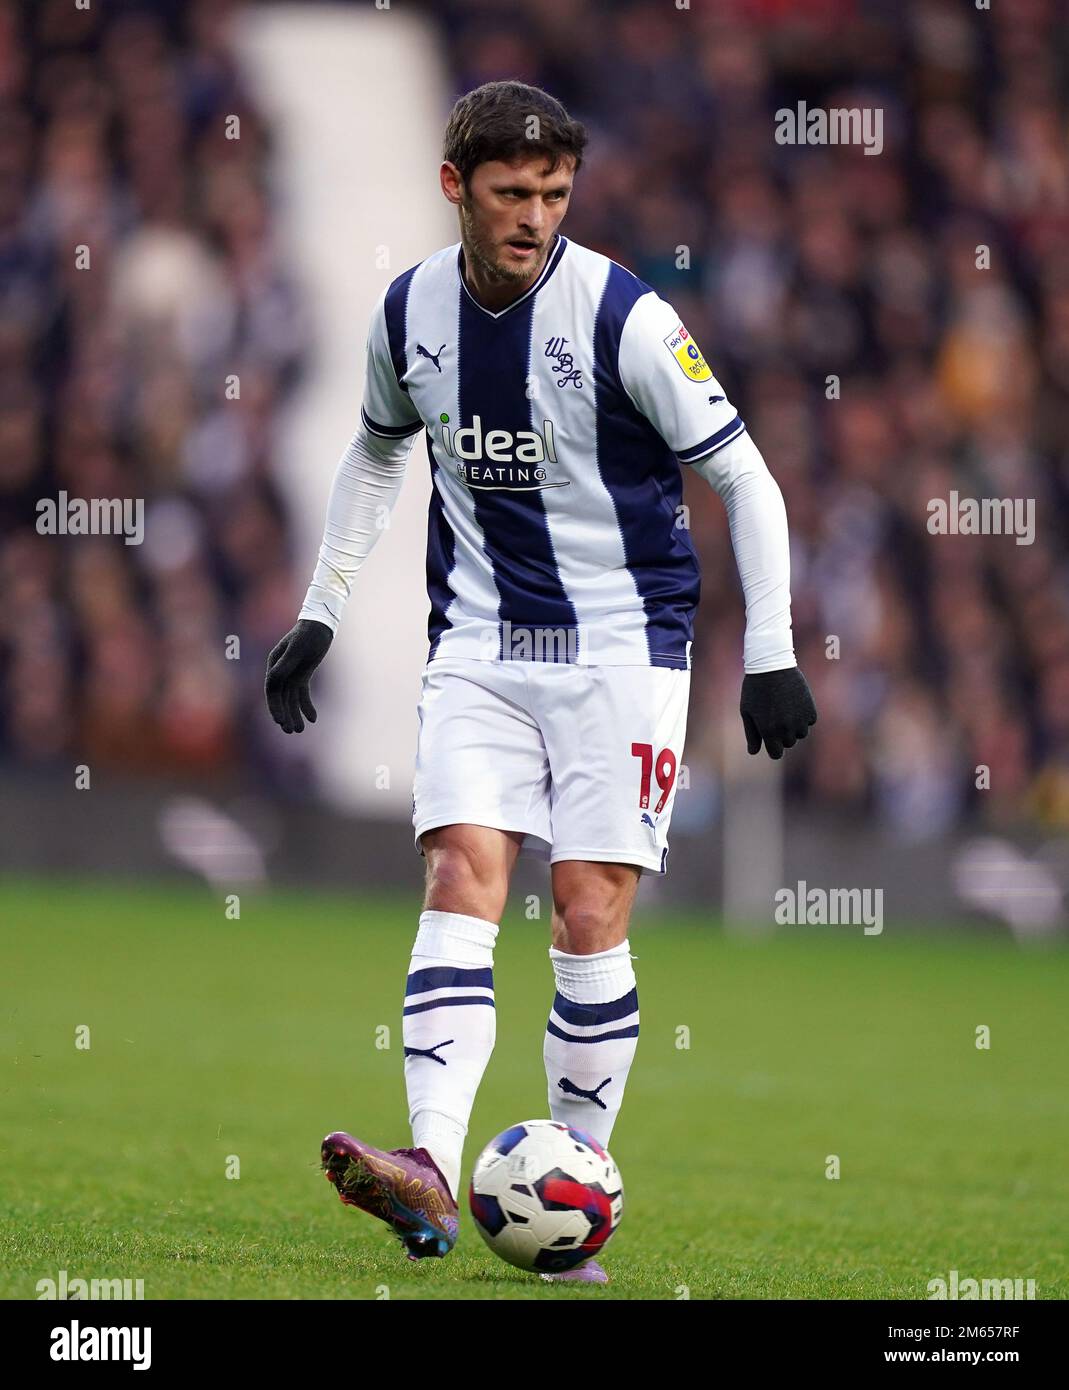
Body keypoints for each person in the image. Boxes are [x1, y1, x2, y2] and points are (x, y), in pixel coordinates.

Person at [265, 80, 816, 1284]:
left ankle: (574, 1193)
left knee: (585, 911)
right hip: (477, 642)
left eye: (555, 194)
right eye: (512, 194)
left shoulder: (622, 314)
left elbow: (749, 482)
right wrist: (320, 612)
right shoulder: (408, 311)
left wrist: (769, 650)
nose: (535, 217)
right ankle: (426, 1166)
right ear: (455, 186)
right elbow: (371, 450)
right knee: (461, 871)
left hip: (625, 645)